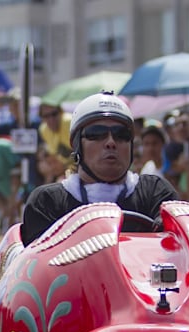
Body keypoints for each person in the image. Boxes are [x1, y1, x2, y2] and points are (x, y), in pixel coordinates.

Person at [20, 92, 179, 245]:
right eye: (96, 133)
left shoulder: (156, 193)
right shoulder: (47, 202)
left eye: (121, 134)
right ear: (75, 144)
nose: (111, 142)